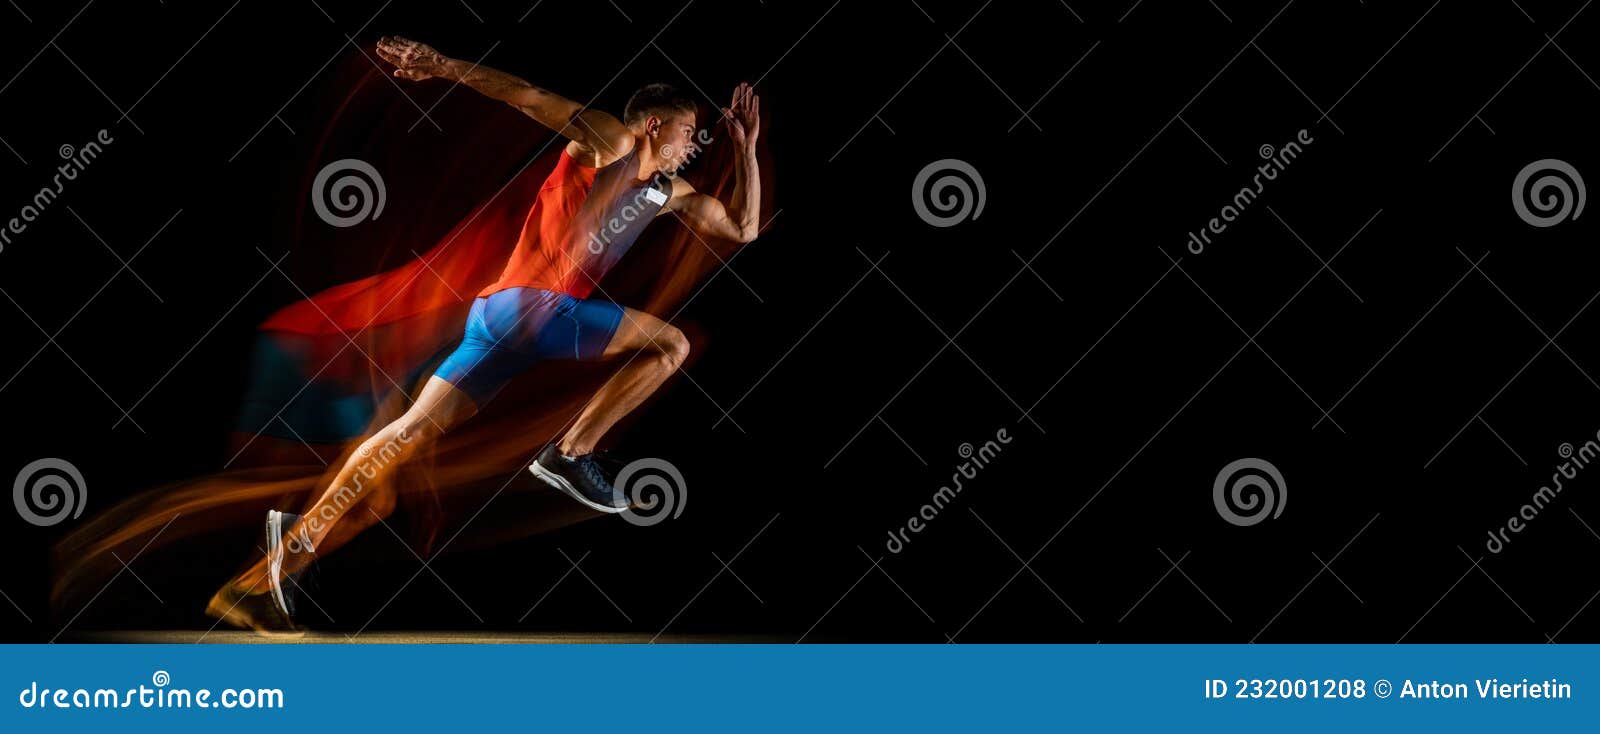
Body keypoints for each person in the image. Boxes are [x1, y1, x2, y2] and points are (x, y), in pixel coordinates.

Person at [205, 35, 763, 633]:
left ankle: (273, 566)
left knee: (406, 435)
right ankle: (569, 454)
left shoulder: (665, 193)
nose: (691, 145)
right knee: (669, 345)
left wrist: (746, 147)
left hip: (502, 322)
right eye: (687, 131)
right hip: (531, 308)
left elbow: (744, 229)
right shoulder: (614, 140)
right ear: (654, 124)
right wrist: (442, 65)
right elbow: (528, 96)